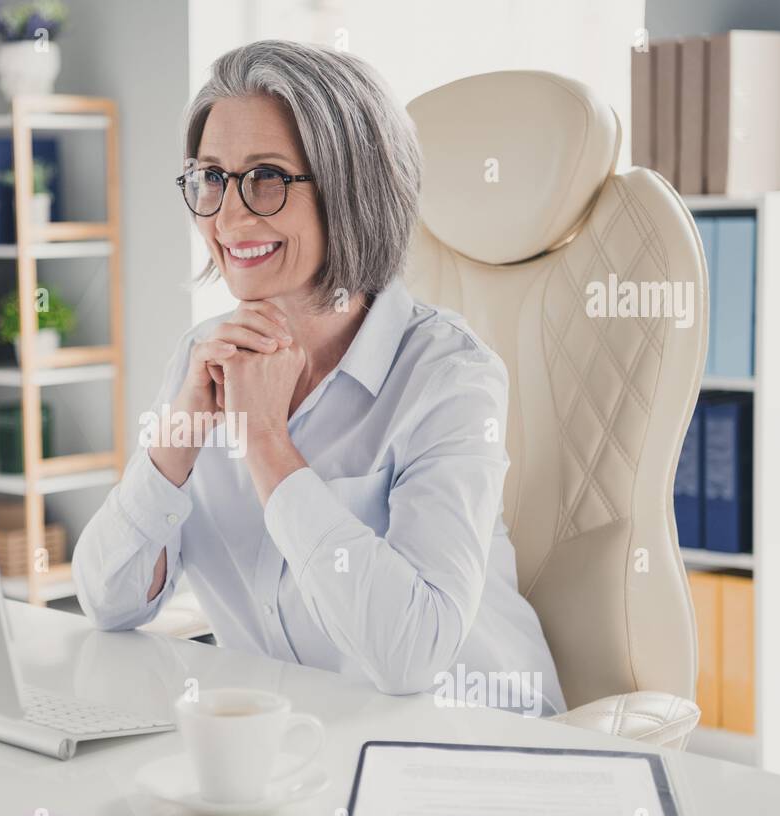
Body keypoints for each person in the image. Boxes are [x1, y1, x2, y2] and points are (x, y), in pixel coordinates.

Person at [72, 40, 565, 716]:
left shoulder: (450, 377)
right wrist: (176, 437)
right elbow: (108, 601)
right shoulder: (201, 360)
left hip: (477, 752)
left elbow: (413, 654)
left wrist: (269, 444)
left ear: (350, 188)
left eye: (267, 177)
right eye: (209, 177)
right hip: (307, 754)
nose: (229, 215)